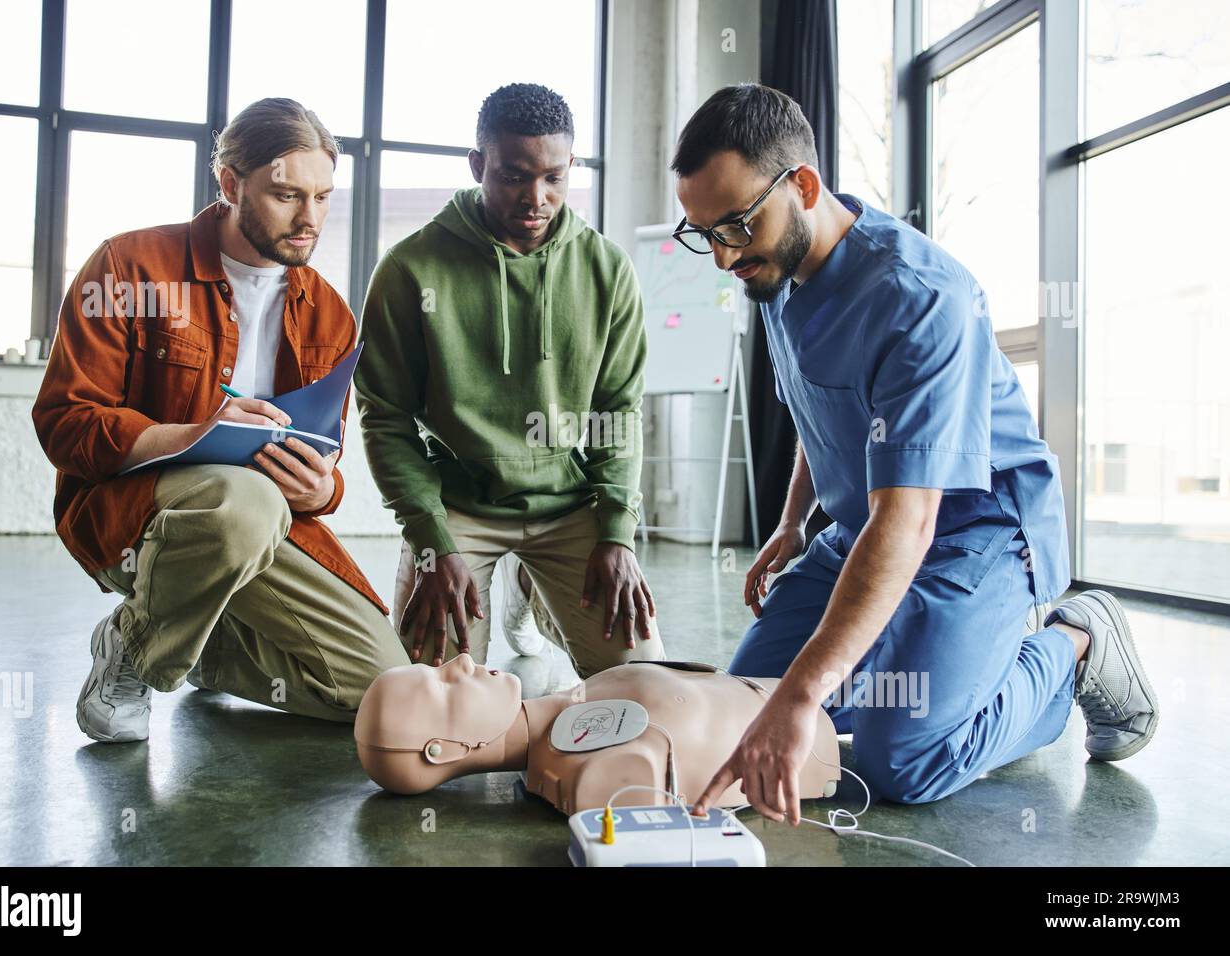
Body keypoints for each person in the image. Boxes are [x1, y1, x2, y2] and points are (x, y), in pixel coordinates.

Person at [667, 84, 1158, 818]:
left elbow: (911, 522)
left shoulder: (922, 299)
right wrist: (793, 524)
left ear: (802, 185)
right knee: (748, 714)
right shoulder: (772, 274)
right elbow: (820, 405)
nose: (721, 256)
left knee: (905, 759)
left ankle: (1074, 644)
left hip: (975, 533)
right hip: (865, 525)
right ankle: (915, 661)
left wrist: (807, 692)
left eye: (734, 225)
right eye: (702, 232)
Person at [32, 98, 409, 743]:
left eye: (323, 197)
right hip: (133, 515)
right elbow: (66, 424)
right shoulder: (128, 268)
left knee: (385, 693)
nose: (309, 219)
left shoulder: (329, 315)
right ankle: (131, 647)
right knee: (243, 504)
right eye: (287, 195)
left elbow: (324, 457)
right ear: (229, 183)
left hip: (262, 527)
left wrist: (324, 489)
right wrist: (196, 435)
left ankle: (198, 641)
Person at [355, 83, 664, 678]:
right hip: (458, 507)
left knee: (644, 683)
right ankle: (513, 571)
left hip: (567, 504)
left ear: (571, 166)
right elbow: (385, 416)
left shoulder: (607, 269)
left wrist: (617, 531)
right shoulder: (409, 268)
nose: (536, 198)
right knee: (440, 703)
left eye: (553, 177)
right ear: (479, 166)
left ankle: (535, 580)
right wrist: (430, 541)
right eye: (514, 175)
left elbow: (618, 411)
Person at [354, 654, 841, 815]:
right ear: (441, 751)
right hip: (809, 737)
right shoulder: (593, 775)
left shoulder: (582, 698)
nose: (460, 662)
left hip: (798, 697)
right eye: (440, 685)